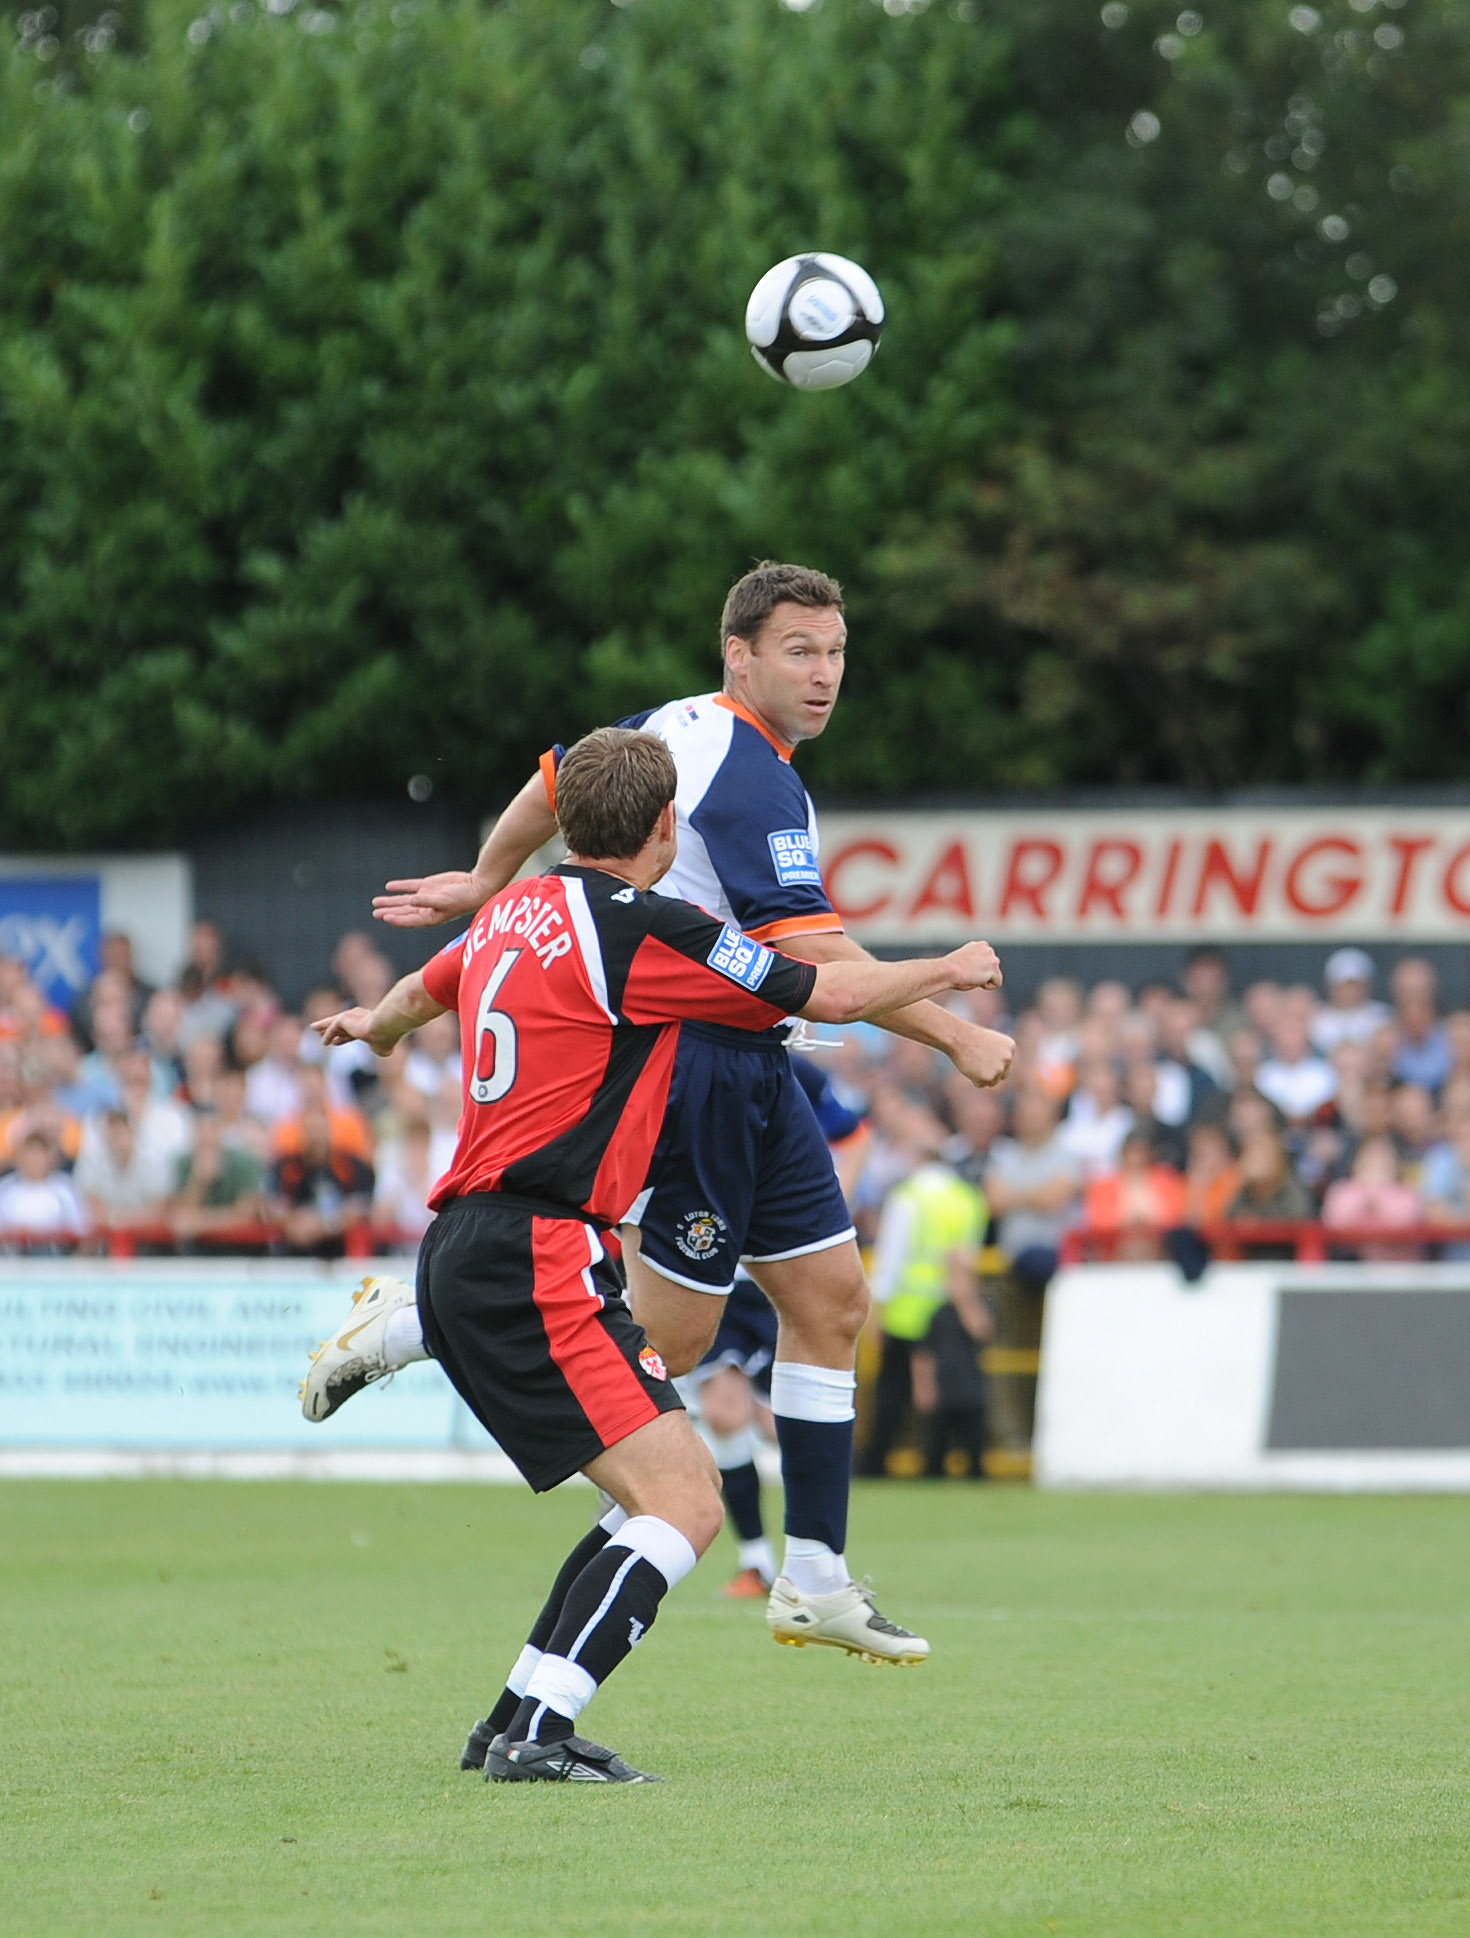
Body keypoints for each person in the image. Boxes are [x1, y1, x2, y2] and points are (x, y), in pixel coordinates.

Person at [326, 559, 1014, 1664]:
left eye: (836, 652)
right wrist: (960, 1025)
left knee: (833, 1298)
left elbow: (556, 780)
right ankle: (417, 1328)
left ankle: (816, 1576)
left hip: (757, 1062)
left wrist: (487, 874)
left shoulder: (670, 726)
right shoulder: (751, 777)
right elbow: (826, 969)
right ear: (738, 654)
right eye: (800, 650)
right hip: (697, 1063)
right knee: (678, 1336)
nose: (825, 673)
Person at [861, 1101, 990, 1479]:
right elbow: (967, 1258)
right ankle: (941, 1463)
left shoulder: (908, 1196)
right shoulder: (968, 1198)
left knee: (893, 1394)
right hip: (949, 1308)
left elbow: (892, 1257)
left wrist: (878, 1310)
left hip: (907, 1309)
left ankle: (875, 1463)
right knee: (947, 1391)